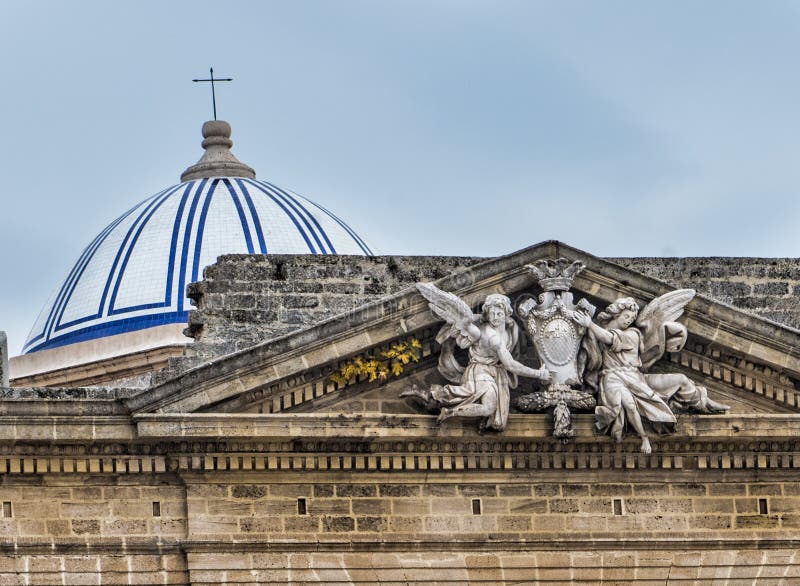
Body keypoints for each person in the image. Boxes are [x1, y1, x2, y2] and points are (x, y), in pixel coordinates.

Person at [572, 297, 729, 454]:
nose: (629, 321)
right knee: (629, 405)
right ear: (616, 313)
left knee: (681, 379)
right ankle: (644, 437)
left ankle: (704, 402)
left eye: (632, 318)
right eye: (626, 316)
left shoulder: (633, 334)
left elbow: (609, 338)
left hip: (637, 379)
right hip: (615, 379)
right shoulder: (596, 334)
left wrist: (589, 324)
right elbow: (594, 346)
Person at [402, 294, 550, 431]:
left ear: (506, 314)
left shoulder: (510, 328)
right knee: (488, 408)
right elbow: (510, 365)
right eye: (492, 313)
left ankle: (452, 412)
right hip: (480, 372)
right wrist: (538, 373)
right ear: (487, 313)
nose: (495, 317)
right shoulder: (489, 336)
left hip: (495, 373)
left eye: (499, 313)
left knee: (490, 410)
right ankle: (437, 401)